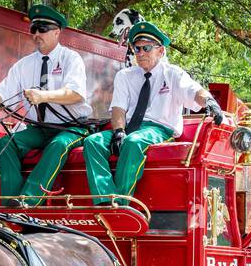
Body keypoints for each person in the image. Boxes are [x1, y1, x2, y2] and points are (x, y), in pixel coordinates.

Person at [83, 21, 224, 205]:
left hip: (159, 129)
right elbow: (118, 109)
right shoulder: (124, 76)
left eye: (146, 48)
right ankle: (105, 199)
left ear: (161, 51)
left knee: (133, 142)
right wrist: (118, 132)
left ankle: (120, 204)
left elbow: (194, 91)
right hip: (129, 128)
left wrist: (210, 102)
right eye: (136, 48)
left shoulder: (173, 74)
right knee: (92, 142)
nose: (140, 53)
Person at [0, 4, 90, 207]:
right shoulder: (24, 65)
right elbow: (3, 93)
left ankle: (28, 200)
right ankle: (10, 204)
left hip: (72, 127)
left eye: (43, 29)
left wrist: (43, 96)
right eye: (33, 29)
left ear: (57, 32)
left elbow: (76, 94)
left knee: (57, 146)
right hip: (40, 129)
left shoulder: (71, 59)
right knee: (6, 143)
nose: (37, 34)